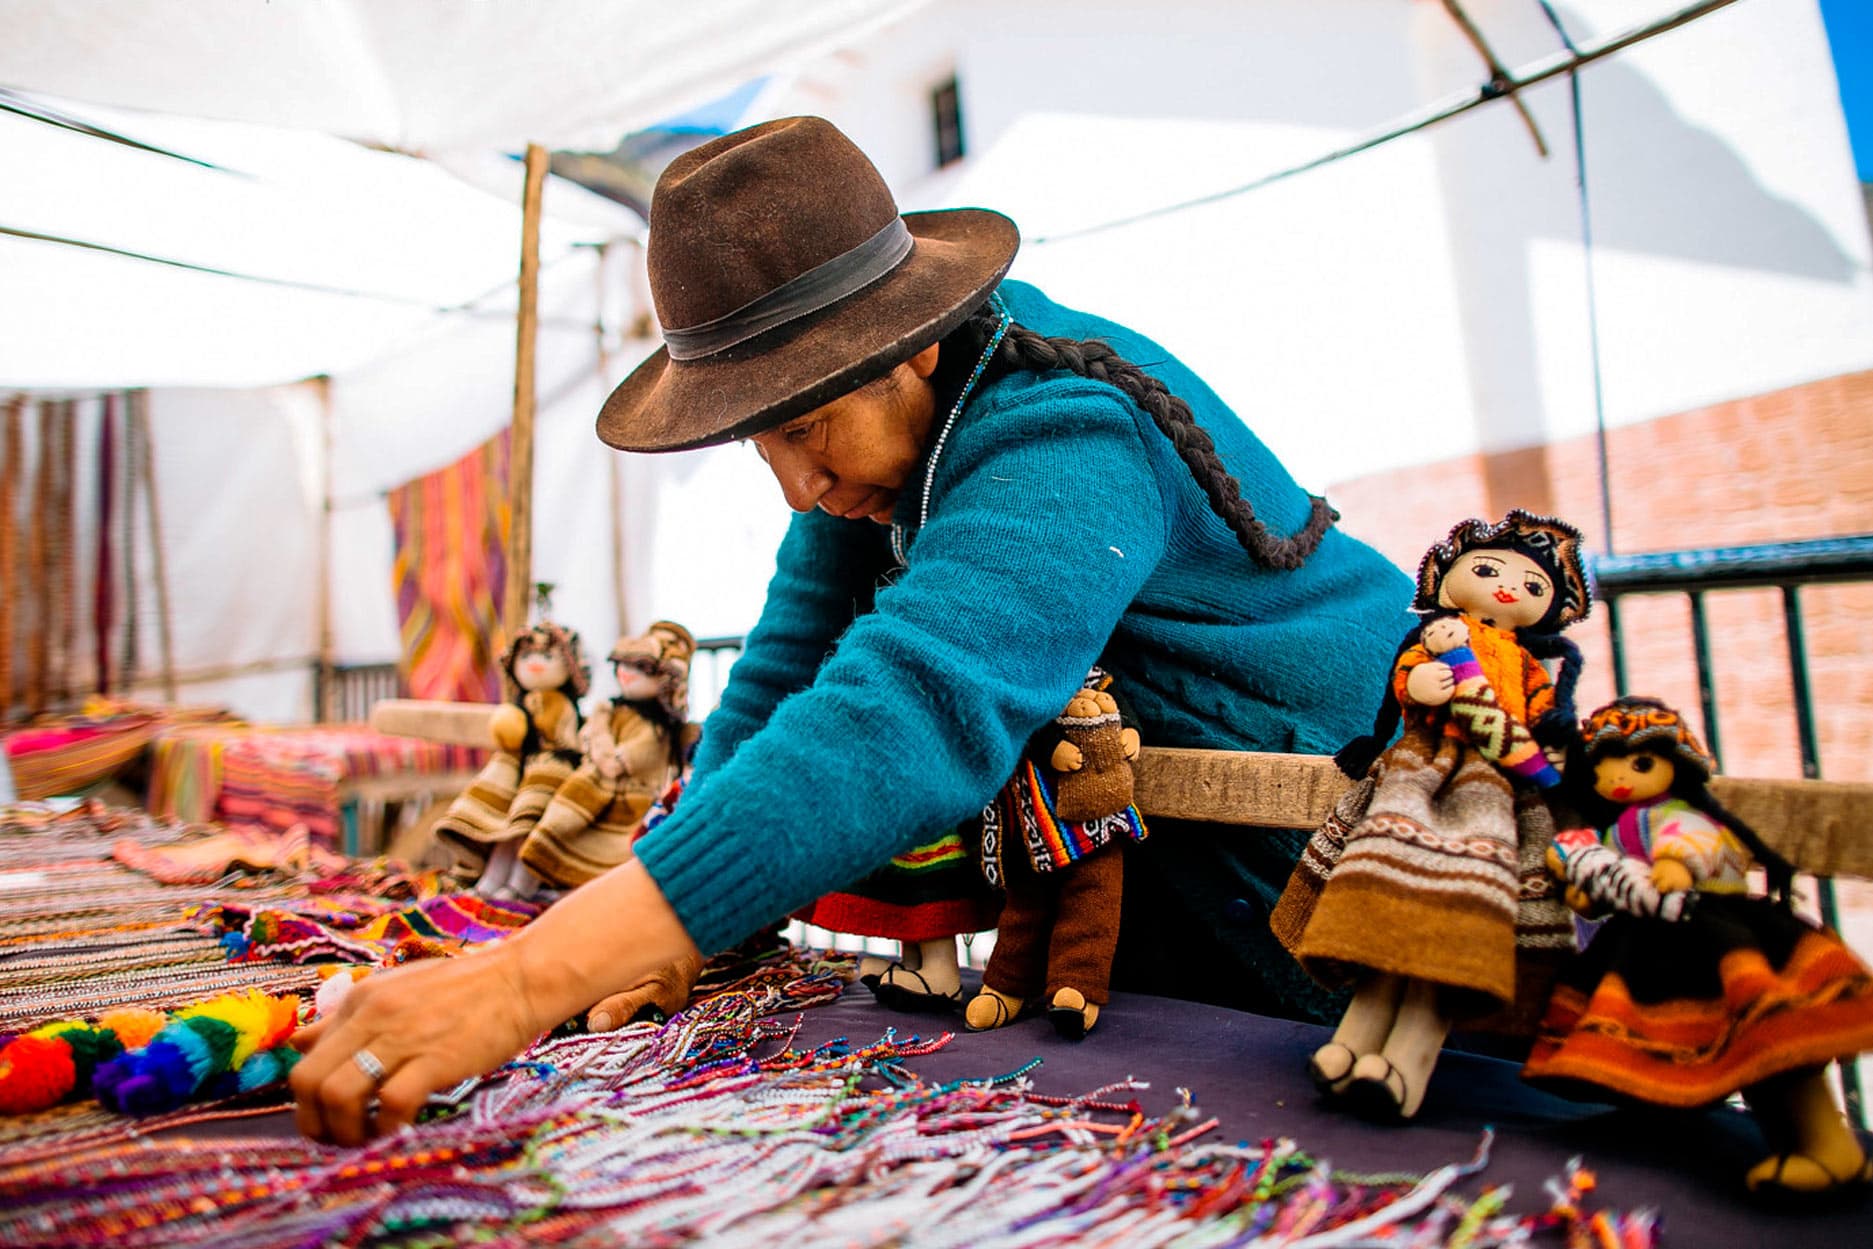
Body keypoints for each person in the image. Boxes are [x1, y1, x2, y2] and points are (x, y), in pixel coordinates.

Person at [290, 115, 1413, 1144]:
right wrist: (670, 927)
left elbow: (905, 712)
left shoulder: (1063, 431)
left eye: (805, 426)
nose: (795, 487)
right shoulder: (882, 440)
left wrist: (522, 983)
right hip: (1162, 861)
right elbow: (781, 673)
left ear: (911, 343)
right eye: (756, 443)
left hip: (1325, 857)